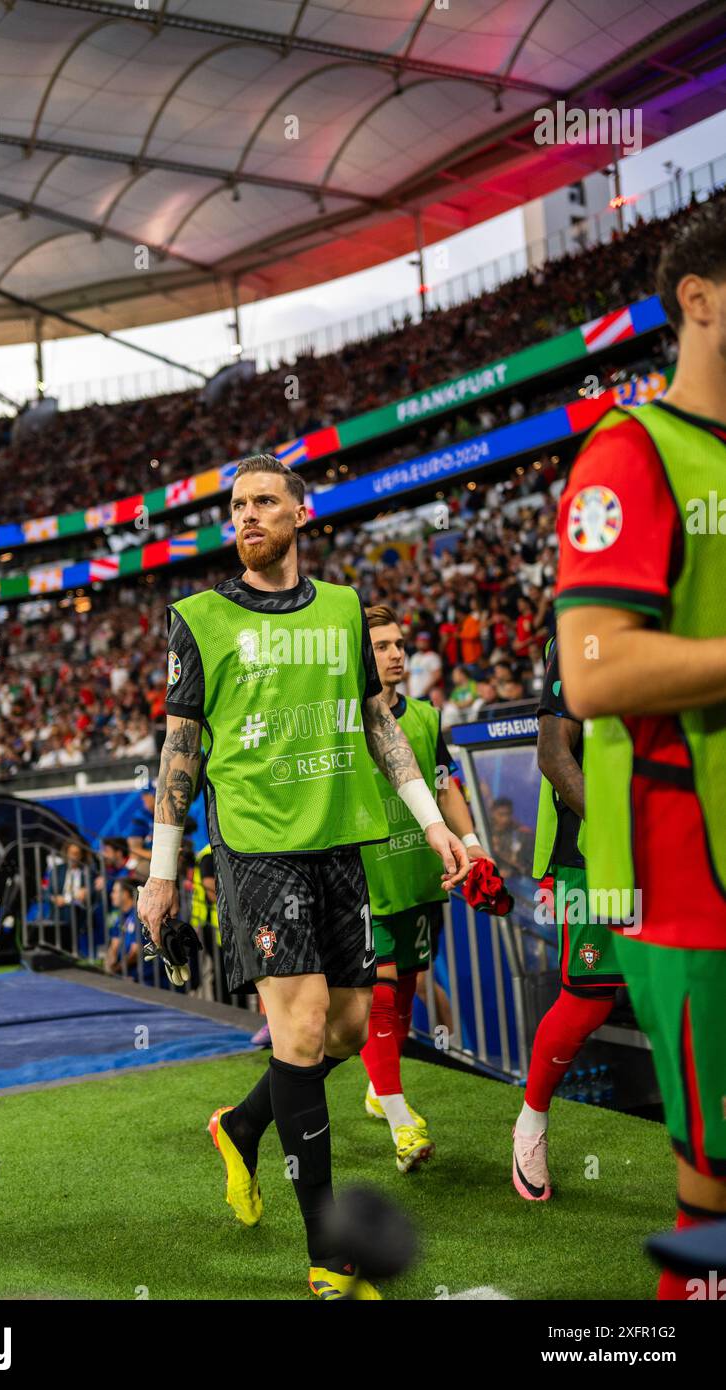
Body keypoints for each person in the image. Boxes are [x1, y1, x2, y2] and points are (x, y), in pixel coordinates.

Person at [137, 453, 469, 1300]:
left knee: (349, 1032)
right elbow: (180, 750)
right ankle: (329, 1254)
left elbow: (378, 725)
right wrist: (163, 869)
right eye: (236, 506)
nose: (245, 517)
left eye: (263, 503)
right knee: (303, 1024)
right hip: (256, 846)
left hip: (341, 844)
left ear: (301, 512)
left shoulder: (348, 610)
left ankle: (241, 1127)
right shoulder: (199, 618)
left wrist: (433, 824)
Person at [556, 207, 726, 1298]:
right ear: (698, 300)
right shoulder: (628, 449)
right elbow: (594, 672)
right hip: (689, 863)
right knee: (713, 1185)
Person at [359, 605, 490, 1172]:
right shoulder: (345, 719)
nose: (395, 654)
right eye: (381, 645)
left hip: (421, 871)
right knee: (380, 993)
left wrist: (473, 840)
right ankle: (399, 1122)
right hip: (365, 877)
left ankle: (379, 1084)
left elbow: (445, 784)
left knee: (408, 985)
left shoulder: (427, 717)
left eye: (398, 644)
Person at [512, 637, 622, 1202]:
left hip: (686, 847)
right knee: (589, 998)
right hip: (597, 854)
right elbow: (554, 754)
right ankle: (531, 1124)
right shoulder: (583, 632)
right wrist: (617, 831)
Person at [406, 630, 442, 702]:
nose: (422, 643)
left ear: (429, 643)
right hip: (413, 696)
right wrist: (408, 693)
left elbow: (437, 675)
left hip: (426, 695)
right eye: (420, 641)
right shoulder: (414, 657)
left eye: (424, 641)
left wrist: (425, 690)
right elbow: (409, 676)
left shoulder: (433, 656)